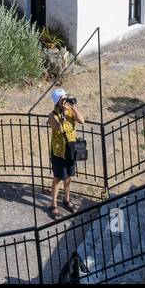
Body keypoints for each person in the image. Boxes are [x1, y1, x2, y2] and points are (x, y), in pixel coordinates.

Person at [48, 88, 85, 217]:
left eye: (66, 98)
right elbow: (61, 129)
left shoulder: (70, 111)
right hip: (59, 152)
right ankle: (53, 204)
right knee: (58, 179)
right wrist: (63, 113)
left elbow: (82, 120)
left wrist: (73, 108)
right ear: (57, 102)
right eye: (63, 99)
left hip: (70, 149)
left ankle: (66, 200)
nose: (65, 101)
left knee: (68, 177)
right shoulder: (53, 115)